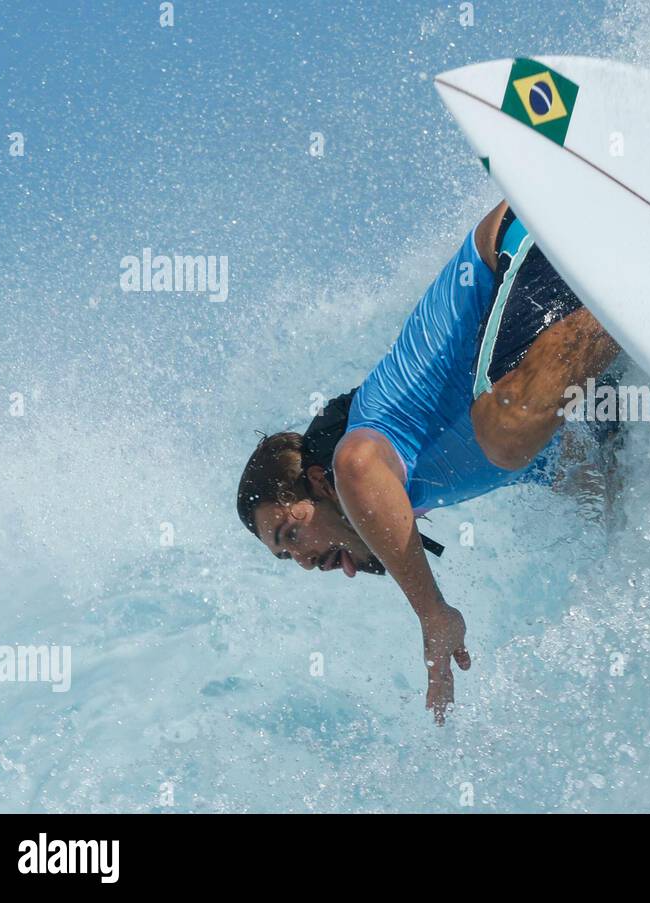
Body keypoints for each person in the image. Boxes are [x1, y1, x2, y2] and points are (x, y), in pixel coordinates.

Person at [236, 201, 622, 723]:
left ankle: (636, 301)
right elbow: (568, 457)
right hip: (579, 329)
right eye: (288, 558)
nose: (303, 560)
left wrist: (433, 613)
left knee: (505, 432)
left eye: (289, 535)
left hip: (532, 235)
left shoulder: (367, 441)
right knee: (614, 508)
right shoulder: (438, 474)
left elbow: (357, 470)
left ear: (317, 485)